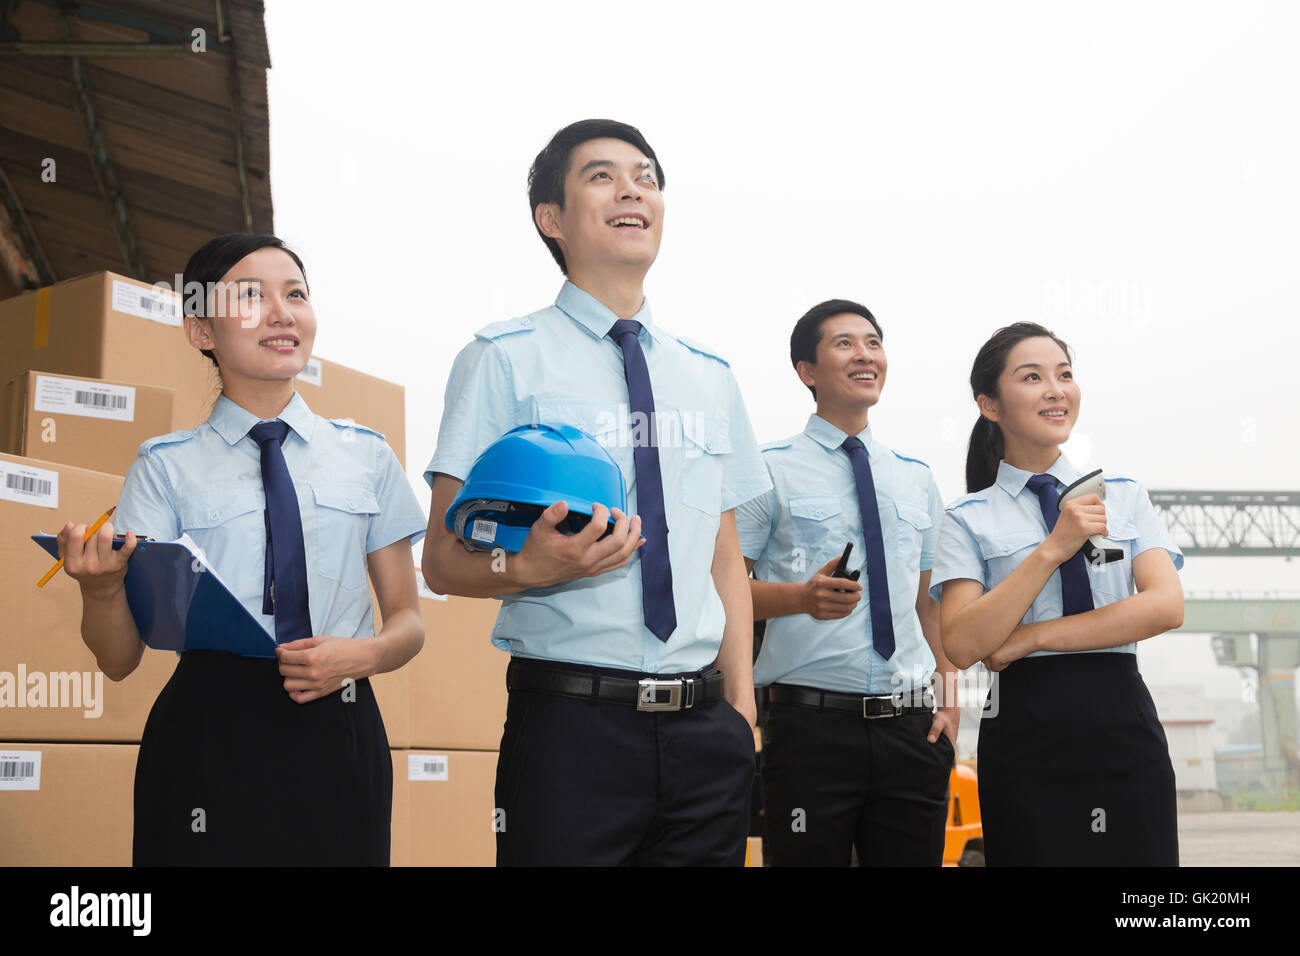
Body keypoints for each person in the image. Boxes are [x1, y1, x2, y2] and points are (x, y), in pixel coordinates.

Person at [421, 119, 771, 866]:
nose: (633, 188)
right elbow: (443, 560)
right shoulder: (502, 359)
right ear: (552, 219)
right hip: (572, 730)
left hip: (707, 737)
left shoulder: (711, 377)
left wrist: (741, 707)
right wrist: (529, 571)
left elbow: (725, 560)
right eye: (602, 175)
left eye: (646, 175)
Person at [59, 234, 427, 866]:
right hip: (208, 731)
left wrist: (358, 655)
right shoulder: (164, 466)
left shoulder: (367, 454)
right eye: (252, 296)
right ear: (201, 330)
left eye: (297, 295)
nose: (282, 313)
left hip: (338, 722)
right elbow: (119, 660)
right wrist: (99, 588)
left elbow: (409, 622)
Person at [929, 322, 1183, 866]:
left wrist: (1029, 637)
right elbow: (964, 642)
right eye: (1032, 377)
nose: (1056, 389)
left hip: (1123, 725)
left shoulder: (1124, 497)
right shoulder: (966, 519)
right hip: (1024, 733)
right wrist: (1053, 547)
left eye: (1064, 374)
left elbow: (1164, 605)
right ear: (989, 405)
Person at [735, 299, 960, 866]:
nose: (865, 354)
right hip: (811, 730)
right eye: (844, 343)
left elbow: (929, 607)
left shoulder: (915, 479)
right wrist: (798, 598)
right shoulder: (768, 470)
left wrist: (952, 703)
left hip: (914, 732)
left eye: (874, 342)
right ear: (806, 371)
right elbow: (723, 594)